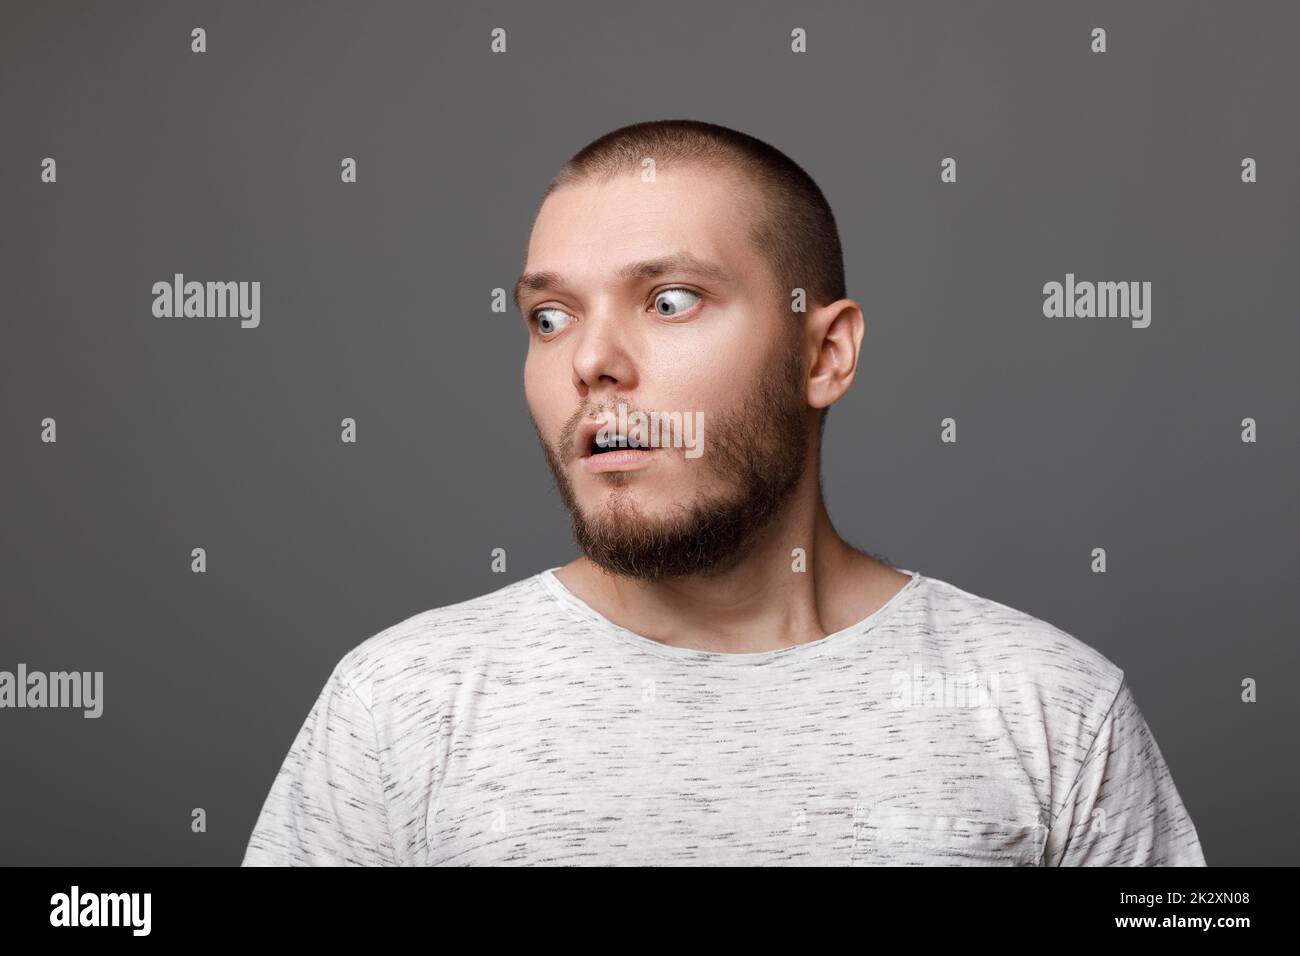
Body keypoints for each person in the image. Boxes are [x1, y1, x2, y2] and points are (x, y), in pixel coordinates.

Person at [242, 119, 1206, 866]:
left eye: (669, 301)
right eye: (549, 316)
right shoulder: (397, 706)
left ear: (824, 353)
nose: (591, 361)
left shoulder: (1053, 710)